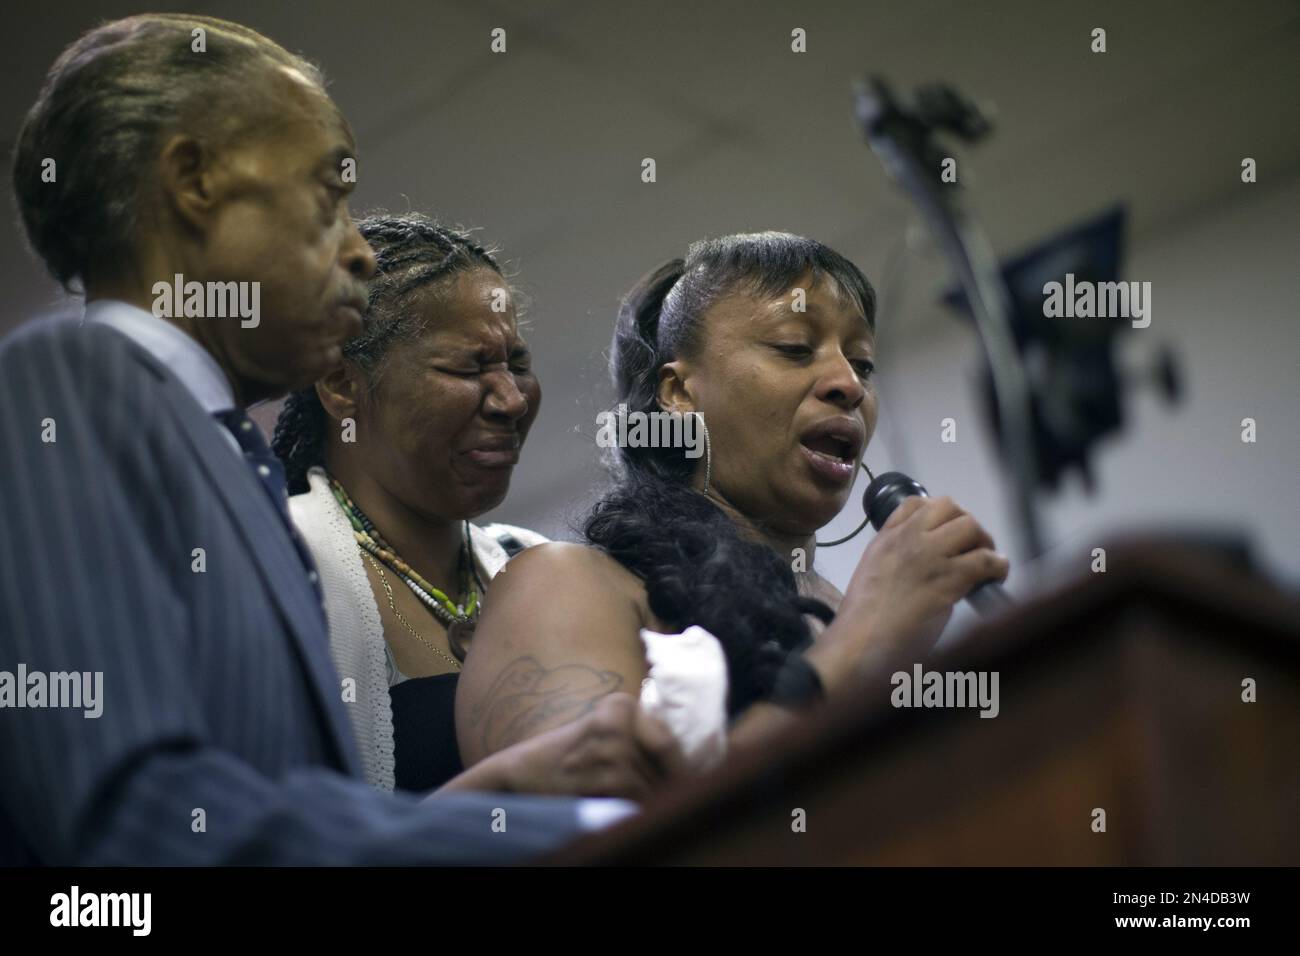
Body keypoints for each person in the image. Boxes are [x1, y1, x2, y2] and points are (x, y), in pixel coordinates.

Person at [0, 13, 675, 866]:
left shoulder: (231, 467)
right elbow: (134, 819)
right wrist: (590, 831)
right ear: (193, 181)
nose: (358, 251)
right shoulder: (69, 375)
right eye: (328, 196)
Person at [456, 231, 1011, 767]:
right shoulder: (564, 583)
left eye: (863, 363)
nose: (849, 383)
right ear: (678, 394)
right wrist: (861, 646)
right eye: (795, 348)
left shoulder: (852, 611)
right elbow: (594, 832)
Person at [275, 213, 678, 796]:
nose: (512, 400)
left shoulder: (537, 565)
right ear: (342, 385)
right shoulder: (281, 567)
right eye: (468, 367)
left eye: (517, 364)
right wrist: (502, 788)